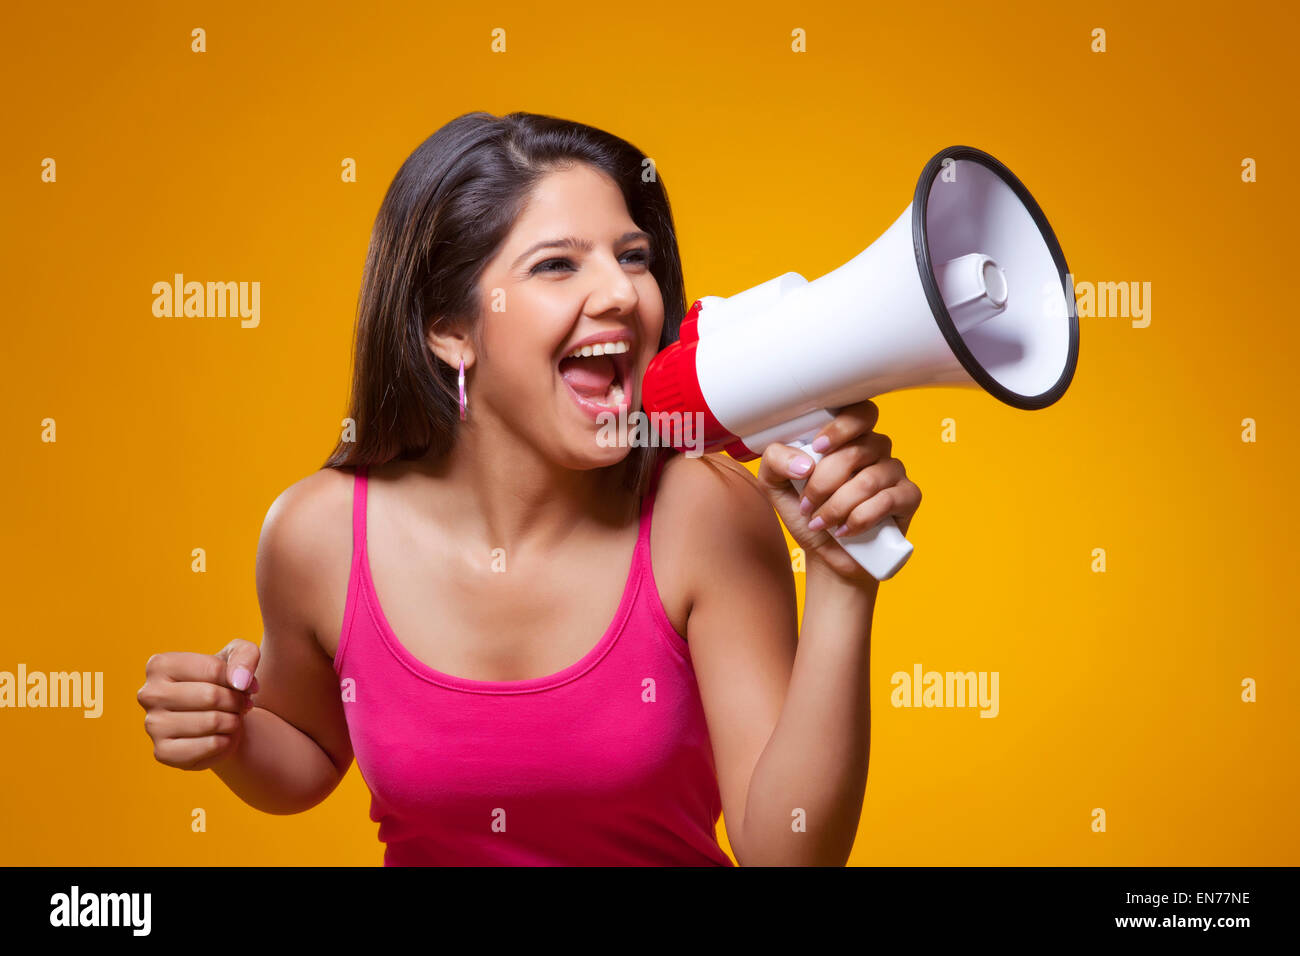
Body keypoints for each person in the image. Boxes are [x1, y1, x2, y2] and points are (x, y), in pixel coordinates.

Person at [137, 111, 922, 866]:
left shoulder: (705, 516)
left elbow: (787, 851)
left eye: (634, 256)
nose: (620, 292)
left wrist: (842, 580)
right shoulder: (316, 533)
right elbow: (306, 752)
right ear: (450, 327)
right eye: (557, 264)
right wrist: (230, 734)